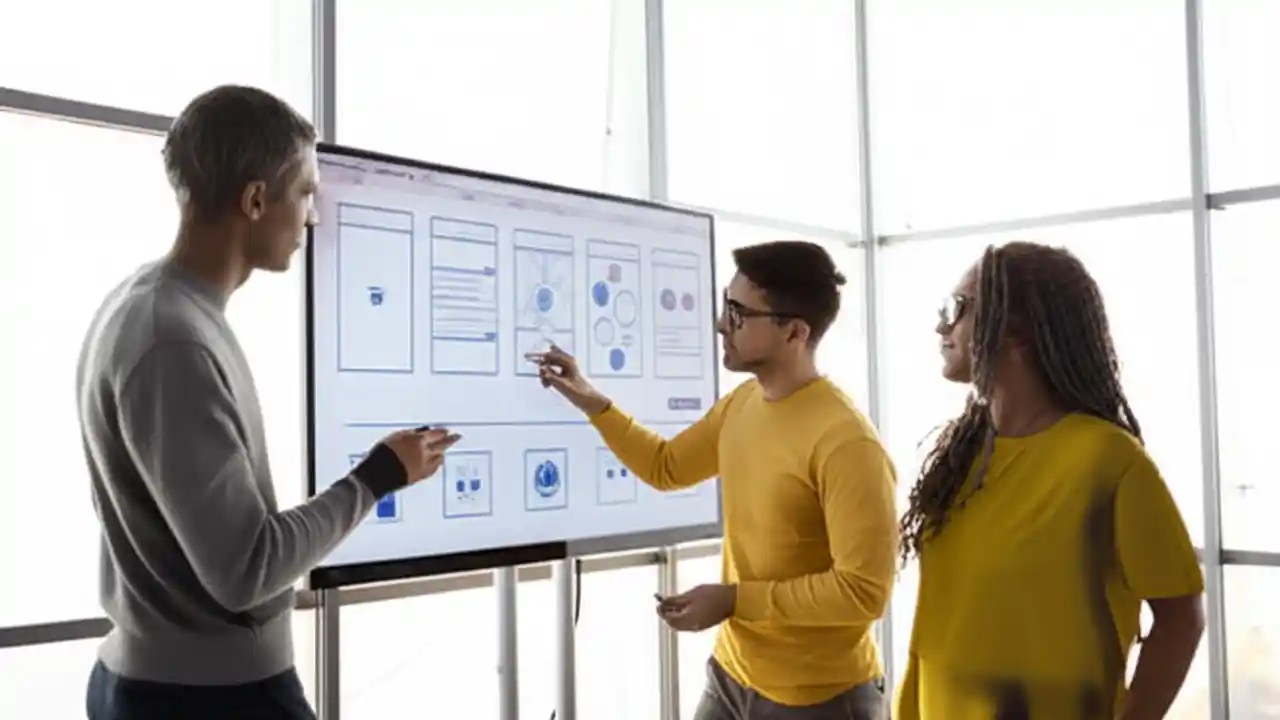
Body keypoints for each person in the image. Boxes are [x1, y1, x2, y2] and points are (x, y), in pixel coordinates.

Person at [75, 85, 460, 719]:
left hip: (166, 682)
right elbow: (246, 568)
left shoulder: (153, 305)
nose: (314, 216)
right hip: (205, 699)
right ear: (256, 200)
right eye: (306, 192)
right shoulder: (172, 340)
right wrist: (379, 476)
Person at [529, 241, 898, 719]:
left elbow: (862, 592)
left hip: (819, 698)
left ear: (795, 332)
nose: (722, 324)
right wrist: (592, 401)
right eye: (726, 305)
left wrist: (733, 600)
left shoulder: (847, 444)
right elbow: (667, 466)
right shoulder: (742, 404)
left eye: (740, 313)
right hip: (731, 678)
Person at [894, 241, 1205, 720]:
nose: (942, 325)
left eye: (956, 308)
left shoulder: (1107, 460)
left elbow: (1180, 619)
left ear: (1015, 329)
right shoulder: (962, 455)